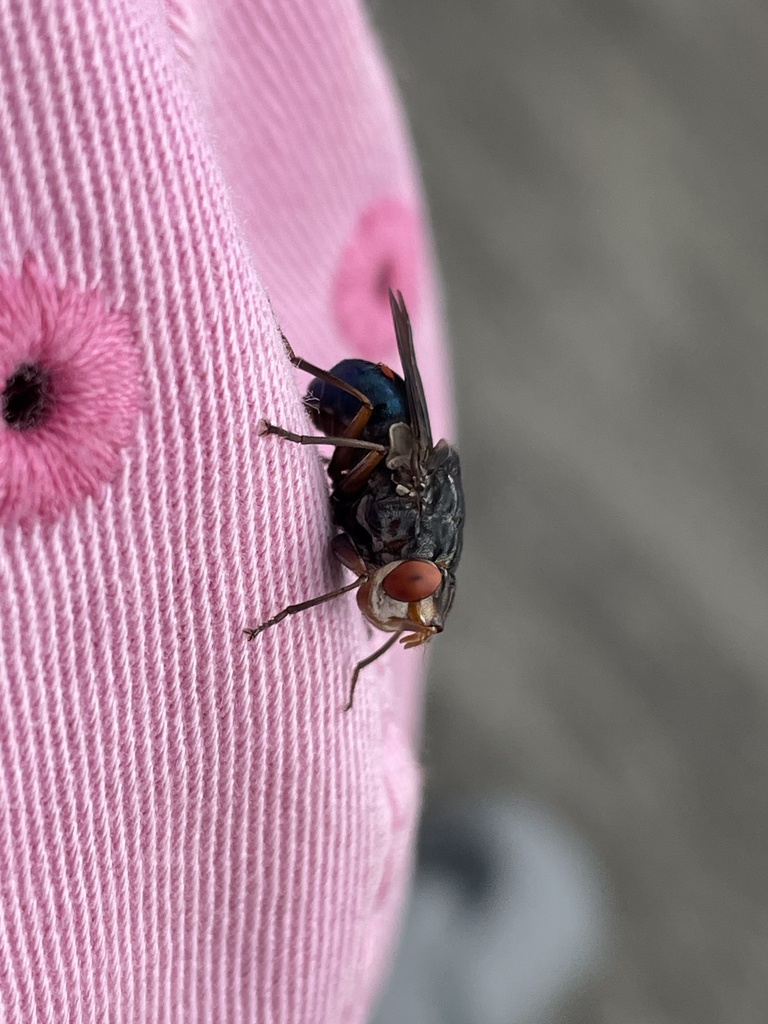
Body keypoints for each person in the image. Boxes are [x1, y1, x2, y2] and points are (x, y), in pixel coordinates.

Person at [0, 2, 453, 1021]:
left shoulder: (399, 555)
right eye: (412, 596)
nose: (399, 610)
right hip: (253, 960)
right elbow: (394, 431)